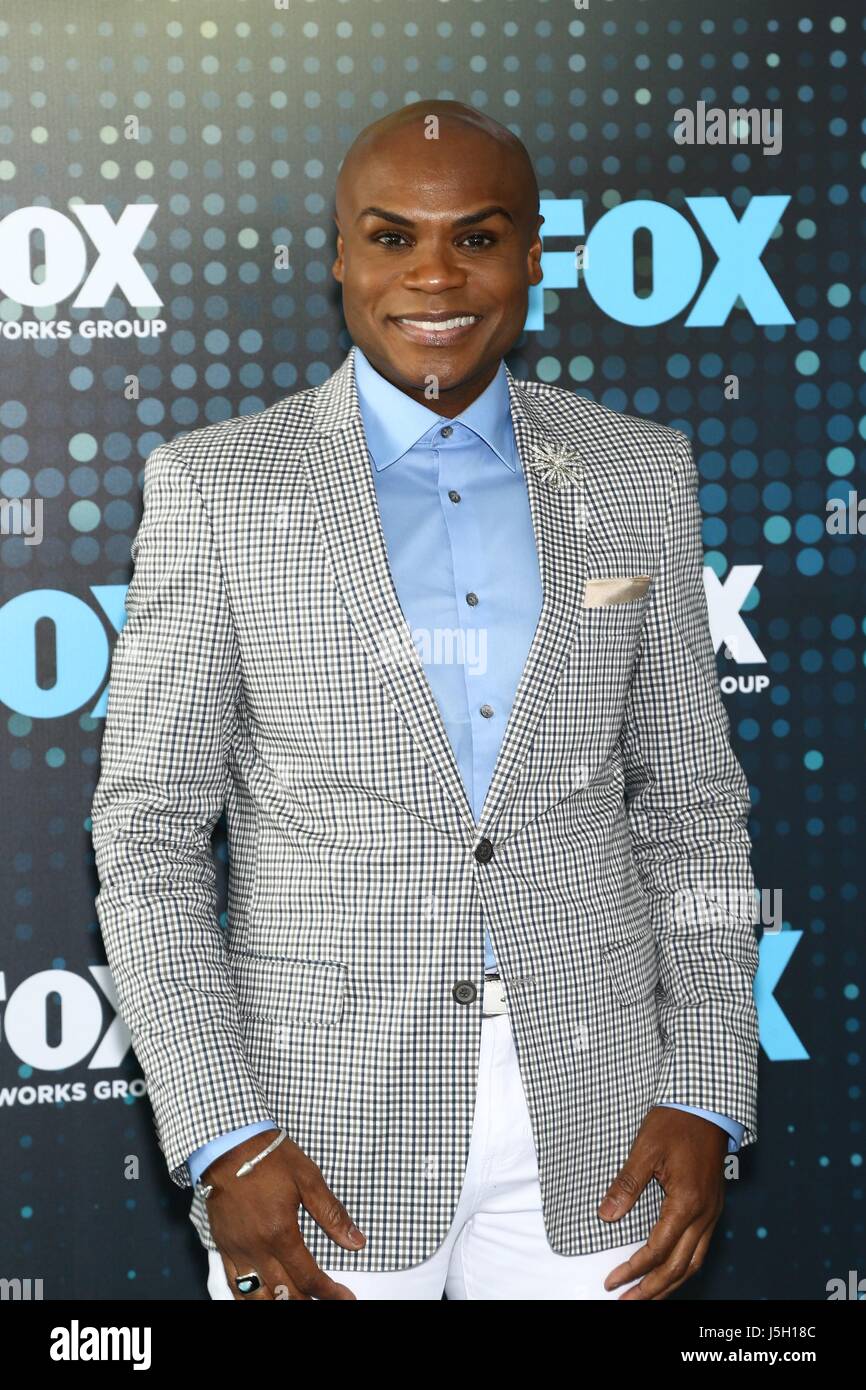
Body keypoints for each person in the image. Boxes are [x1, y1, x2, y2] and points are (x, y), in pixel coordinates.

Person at [91, 100, 760, 1301]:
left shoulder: (637, 472)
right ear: (339, 255)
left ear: (534, 257)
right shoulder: (217, 487)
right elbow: (145, 843)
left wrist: (707, 1080)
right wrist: (221, 1133)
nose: (434, 275)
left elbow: (692, 809)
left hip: (604, 1120)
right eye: (392, 238)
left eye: (477, 236)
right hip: (311, 1137)